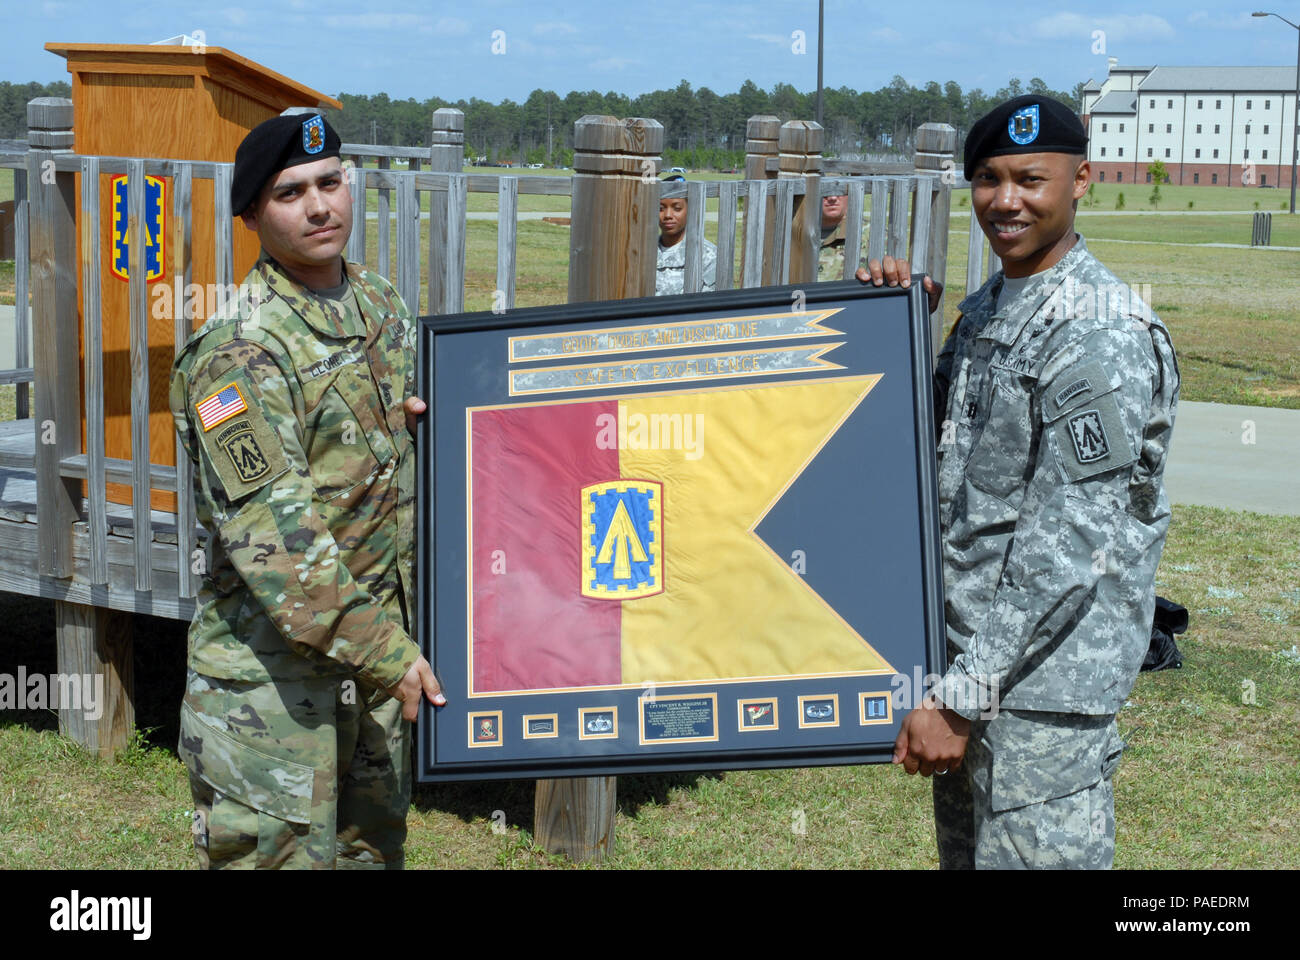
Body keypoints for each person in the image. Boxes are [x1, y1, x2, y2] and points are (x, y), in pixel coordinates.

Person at [860, 95, 1179, 869]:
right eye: (988, 180)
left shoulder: (1096, 328)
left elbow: (1064, 548)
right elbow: (930, 449)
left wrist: (963, 699)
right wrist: (896, 323)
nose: (1006, 201)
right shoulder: (990, 308)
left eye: (1031, 179)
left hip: (1038, 698)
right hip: (971, 668)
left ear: (1082, 182)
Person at [169, 112, 444, 869]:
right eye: (291, 193)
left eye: (332, 182)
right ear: (254, 214)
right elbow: (277, 547)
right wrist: (393, 655)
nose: (321, 206)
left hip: (373, 683)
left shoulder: (380, 309)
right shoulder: (236, 356)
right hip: (274, 701)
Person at [656, 173, 717, 295]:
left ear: (689, 209)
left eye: (677, 208)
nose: (667, 215)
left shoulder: (708, 256)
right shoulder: (643, 253)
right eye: (660, 208)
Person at [816, 186, 866, 281]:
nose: (832, 198)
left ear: (848, 195)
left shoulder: (869, 235)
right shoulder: (792, 234)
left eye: (839, 190)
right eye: (825, 191)